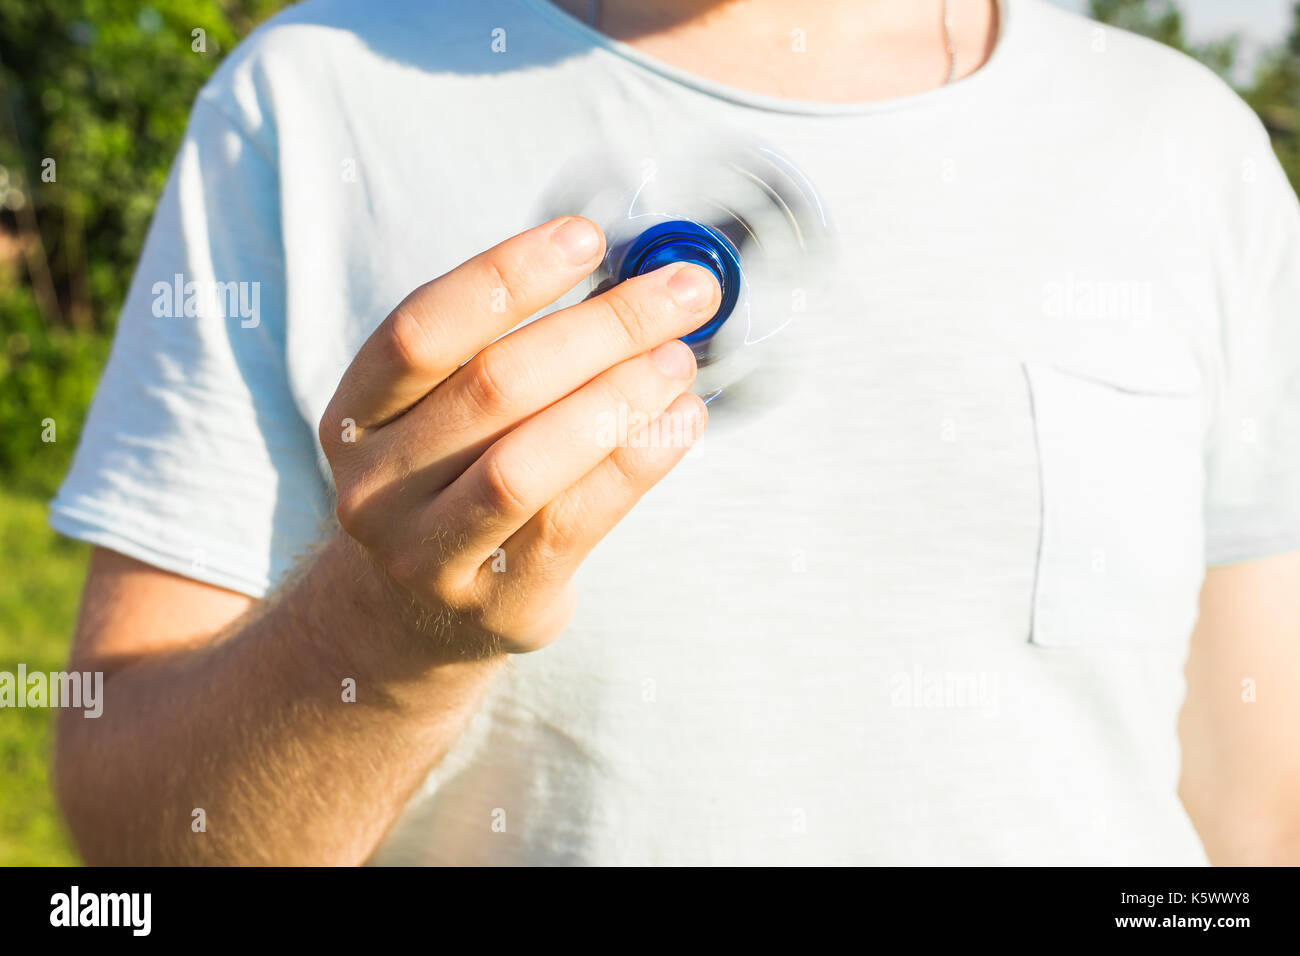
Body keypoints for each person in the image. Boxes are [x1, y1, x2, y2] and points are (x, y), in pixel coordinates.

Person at [50, 0, 1300, 865]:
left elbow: (1256, 814)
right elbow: (137, 853)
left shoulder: (1184, 147)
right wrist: (382, 636)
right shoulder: (313, 92)